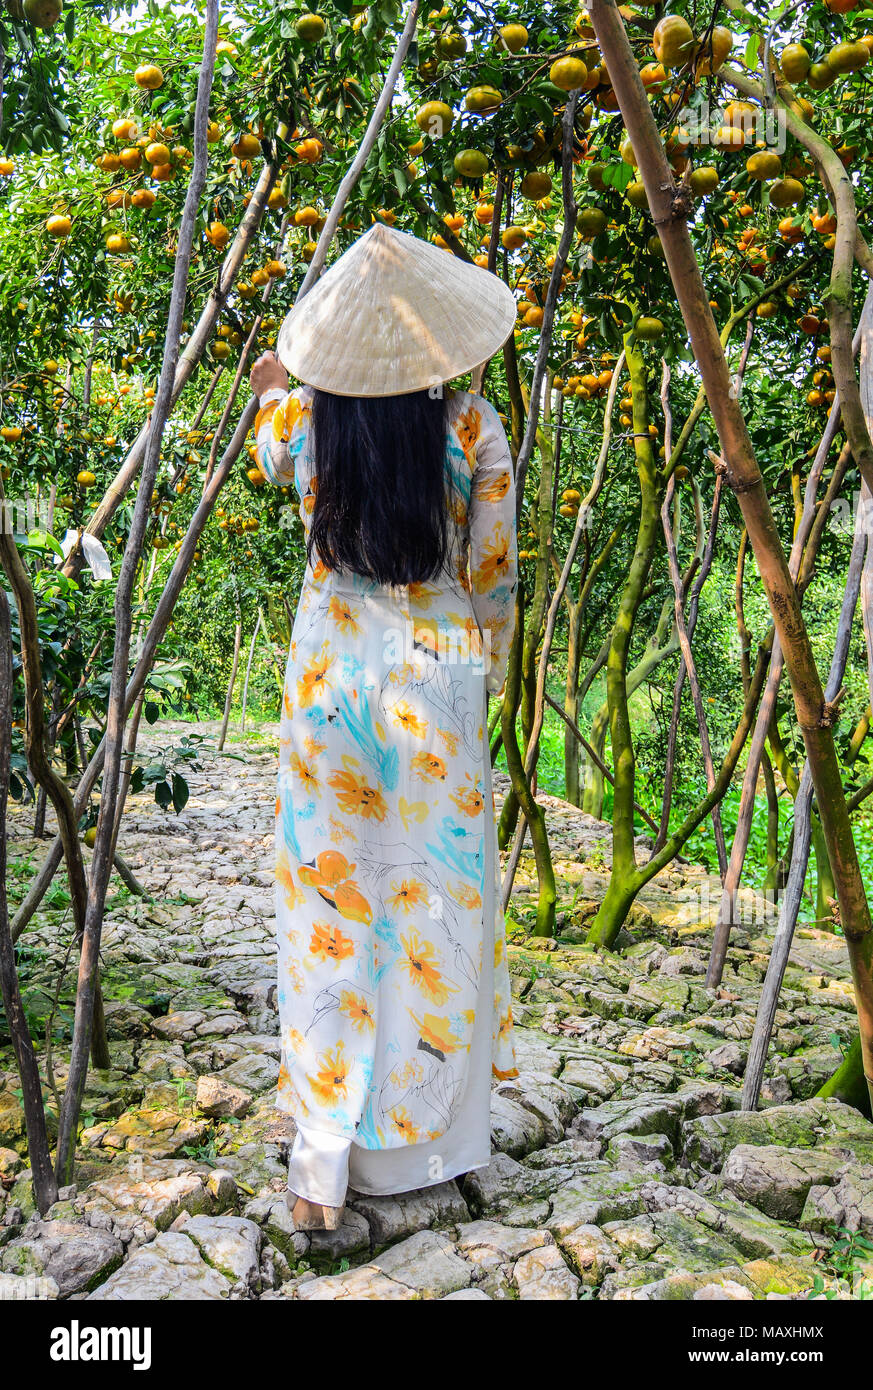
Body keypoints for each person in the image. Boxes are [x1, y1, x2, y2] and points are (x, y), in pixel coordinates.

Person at [249, 222, 519, 1231]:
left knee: (331, 898)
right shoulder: (471, 427)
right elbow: (491, 573)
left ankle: (325, 1161)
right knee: (434, 906)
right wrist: (477, 673)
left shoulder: (309, 424)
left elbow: (270, 451)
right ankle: (428, 1151)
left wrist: (273, 386)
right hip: (438, 674)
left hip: (330, 672)